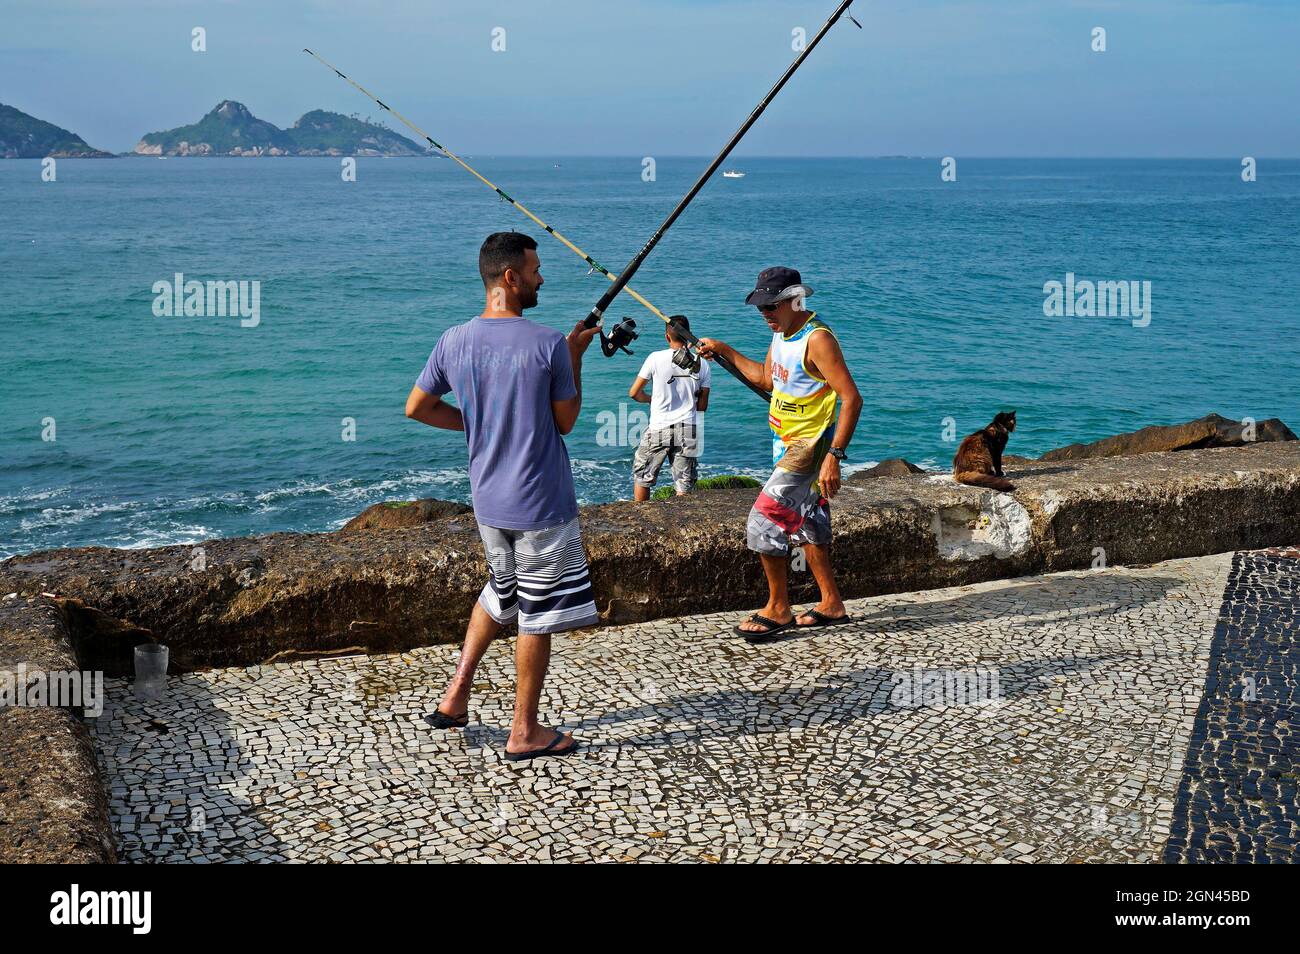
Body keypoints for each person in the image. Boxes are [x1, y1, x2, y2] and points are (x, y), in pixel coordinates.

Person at [404, 231, 601, 760]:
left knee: (502, 591)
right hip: (540, 506)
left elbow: (417, 407)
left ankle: (456, 694)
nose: (541, 278)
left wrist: (476, 426)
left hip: (489, 503)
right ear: (510, 277)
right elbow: (566, 421)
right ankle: (524, 731)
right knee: (536, 613)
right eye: (535, 270)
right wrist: (575, 357)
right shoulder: (548, 343)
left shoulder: (453, 340)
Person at [697, 266, 863, 643]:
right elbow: (767, 380)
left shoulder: (817, 339)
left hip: (810, 447)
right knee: (808, 521)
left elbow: (851, 398)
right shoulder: (782, 335)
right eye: (761, 307)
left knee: (763, 521)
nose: (766, 314)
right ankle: (831, 603)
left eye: (772, 306)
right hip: (786, 442)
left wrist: (834, 454)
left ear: (795, 300)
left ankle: (778, 607)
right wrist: (722, 349)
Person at [628, 316, 711, 501]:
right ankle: (682, 525)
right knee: (683, 483)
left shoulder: (655, 358)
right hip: (688, 429)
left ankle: (641, 519)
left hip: (659, 427)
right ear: (689, 335)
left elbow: (634, 393)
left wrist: (652, 400)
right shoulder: (702, 364)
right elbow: (702, 407)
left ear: (667, 336)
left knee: (643, 477)